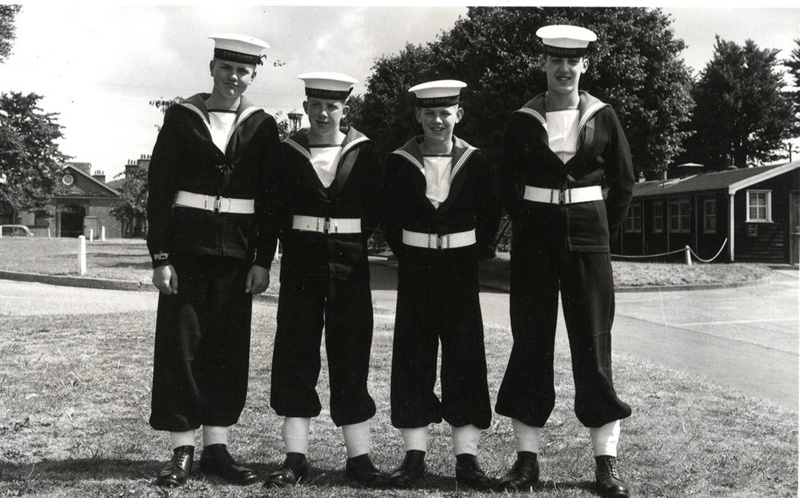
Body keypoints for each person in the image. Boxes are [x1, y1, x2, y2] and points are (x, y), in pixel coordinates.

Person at [494, 25, 635, 498]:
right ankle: (526, 462)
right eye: (555, 60)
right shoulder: (523, 118)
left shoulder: (604, 115)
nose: (563, 68)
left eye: (572, 61)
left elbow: (624, 182)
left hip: (588, 240)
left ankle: (606, 464)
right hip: (535, 242)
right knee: (530, 344)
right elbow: (505, 182)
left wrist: (598, 231)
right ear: (544, 63)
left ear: (585, 66)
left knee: (593, 349)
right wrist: (530, 221)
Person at [146, 33, 280, 488]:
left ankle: (216, 448)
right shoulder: (182, 117)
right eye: (227, 68)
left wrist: (263, 259)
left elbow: (272, 198)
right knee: (181, 349)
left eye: (244, 71)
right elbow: (160, 189)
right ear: (212, 68)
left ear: (254, 75)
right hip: (186, 251)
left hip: (238, 256)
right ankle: (182, 449)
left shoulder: (263, 125)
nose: (234, 78)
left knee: (227, 349)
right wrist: (160, 255)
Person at [264, 72, 386, 489]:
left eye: (331, 106)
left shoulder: (365, 151)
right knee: (296, 354)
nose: (322, 113)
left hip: (350, 267)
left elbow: (374, 209)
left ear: (344, 110)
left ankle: (359, 458)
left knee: (351, 354)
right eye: (315, 105)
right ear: (305, 108)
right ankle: (295, 457)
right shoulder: (287, 152)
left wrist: (347, 238)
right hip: (301, 264)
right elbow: (274, 209)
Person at [382, 80, 501, 491]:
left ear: (458, 115)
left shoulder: (476, 161)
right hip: (416, 268)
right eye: (429, 112)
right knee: (413, 355)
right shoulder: (398, 161)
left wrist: (468, 252)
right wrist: (415, 250)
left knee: (465, 356)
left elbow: (490, 216)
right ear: (418, 115)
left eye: (445, 112)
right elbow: (389, 218)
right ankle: (414, 457)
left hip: (460, 270)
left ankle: (466, 460)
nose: (437, 120)